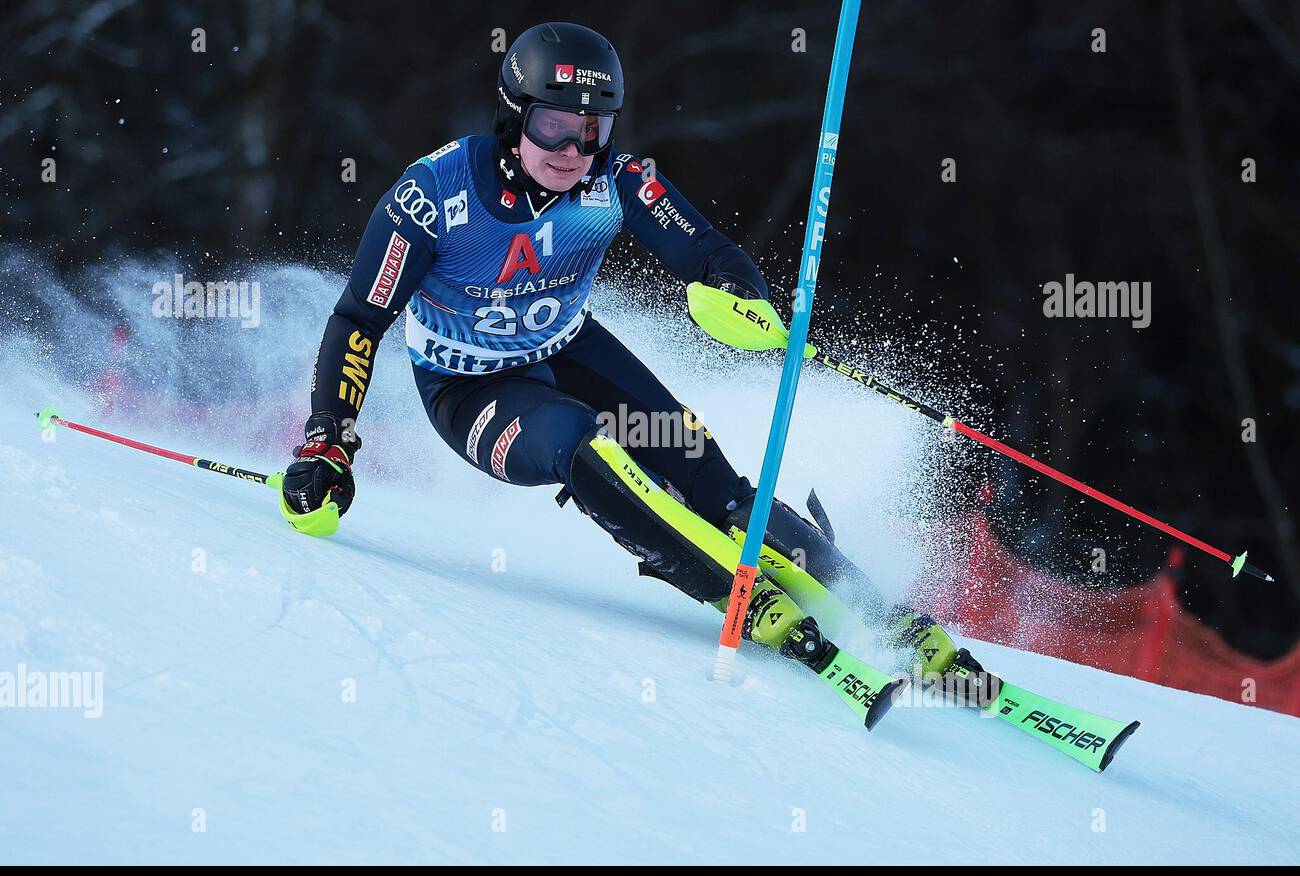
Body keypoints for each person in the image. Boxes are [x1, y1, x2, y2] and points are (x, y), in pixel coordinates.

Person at [279, 21, 985, 692]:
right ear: (514, 114)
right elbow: (357, 320)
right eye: (554, 125)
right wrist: (329, 442)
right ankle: (733, 591)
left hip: (570, 350)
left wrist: (737, 291)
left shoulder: (614, 182)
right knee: (579, 445)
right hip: (469, 389)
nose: (573, 151)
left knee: (714, 482)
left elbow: (708, 251)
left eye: (594, 129)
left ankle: (882, 615)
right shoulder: (433, 196)